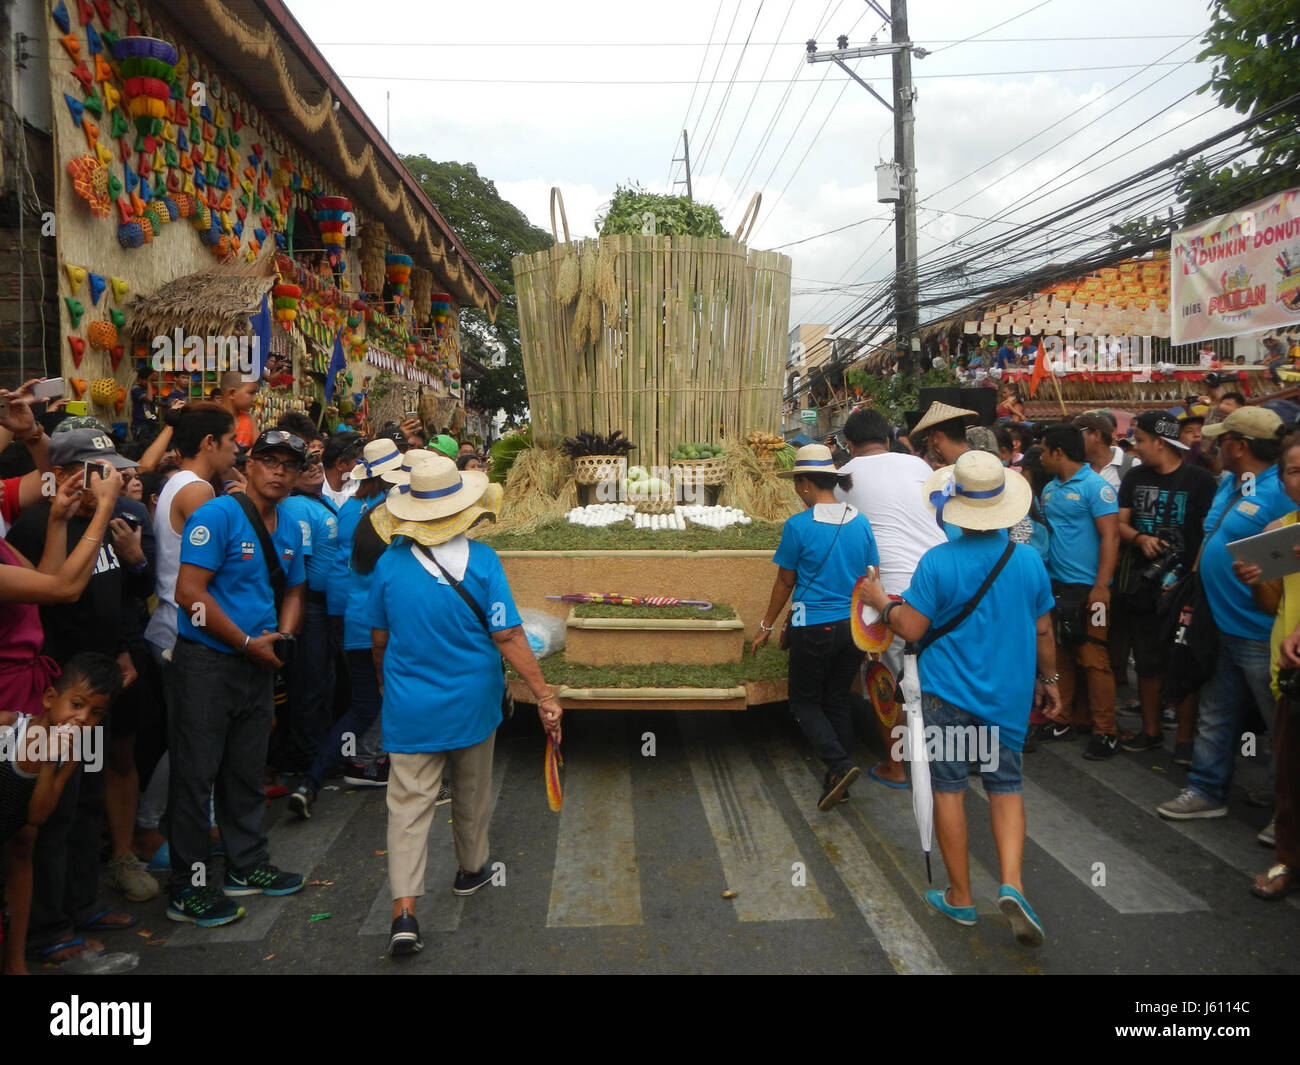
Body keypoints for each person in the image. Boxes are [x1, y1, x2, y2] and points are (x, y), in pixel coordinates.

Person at [362, 453, 561, 956]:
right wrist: (543, 694)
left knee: (407, 807)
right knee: (472, 791)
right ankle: (471, 870)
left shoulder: (389, 564)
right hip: (472, 703)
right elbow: (511, 635)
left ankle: (404, 911)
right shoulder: (485, 563)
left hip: (410, 704)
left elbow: (380, 640)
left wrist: (387, 686)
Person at [858, 450, 1057, 947]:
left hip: (946, 696)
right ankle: (1012, 884)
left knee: (948, 789)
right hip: (1007, 696)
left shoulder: (938, 562)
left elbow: (910, 626)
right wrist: (1050, 681)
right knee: (1006, 787)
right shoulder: (1028, 559)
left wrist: (881, 600)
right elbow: (1045, 629)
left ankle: (961, 896)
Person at [167, 429, 309, 926]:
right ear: (247, 465)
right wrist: (246, 643)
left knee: (246, 771)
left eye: (288, 464)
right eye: (268, 460)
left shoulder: (289, 525)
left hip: (260, 665)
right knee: (195, 777)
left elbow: (295, 589)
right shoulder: (217, 516)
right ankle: (189, 887)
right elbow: (190, 595)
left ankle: (246, 865)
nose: (278, 470)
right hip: (207, 663)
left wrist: (283, 639)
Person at [1158, 407, 1293, 820]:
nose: (1213, 444)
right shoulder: (1229, 482)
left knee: (1280, 727)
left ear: (1241, 445)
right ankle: (1207, 789)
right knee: (1216, 712)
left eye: (1223, 438)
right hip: (1216, 620)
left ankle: (1284, 811)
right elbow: (1211, 537)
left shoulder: (1280, 491)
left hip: (1261, 631)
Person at [752, 444, 881, 810]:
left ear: (806, 484)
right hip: (853, 626)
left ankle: (839, 764)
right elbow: (873, 576)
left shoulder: (798, 526)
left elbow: (784, 582)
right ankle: (837, 776)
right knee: (838, 697)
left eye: (797, 483)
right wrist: (874, 629)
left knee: (804, 701)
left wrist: (765, 624)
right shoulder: (861, 520)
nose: (796, 490)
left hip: (813, 625)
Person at [290, 440, 411, 815]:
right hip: (377, 622)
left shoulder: (349, 509)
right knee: (368, 703)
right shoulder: (387, 514)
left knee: (363, 700)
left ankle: (360, 762)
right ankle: (320, 775)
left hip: (350, 617)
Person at [836, 410, 945, 788]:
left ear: (849, 444)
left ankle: (895, 767)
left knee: (884, 678)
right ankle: (949, 754)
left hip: (890, 591)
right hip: (940, 578)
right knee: (935, 672)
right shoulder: (918, 465)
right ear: (888, 437)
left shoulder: (844, 476)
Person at [1, 653, 122, 975]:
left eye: (96, 713)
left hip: (15, 831)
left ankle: (14, 961)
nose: (82, 718)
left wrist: (48, 760)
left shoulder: (70, 751)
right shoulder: (7, 726)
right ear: (51, 698)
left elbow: (39, 816)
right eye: (77, 705)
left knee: (25, 844)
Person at [1111, 412, 1217, 758]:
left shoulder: (1200, 481)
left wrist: (1194, 578)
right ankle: (1151, 730)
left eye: (1140, 440)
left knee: (1183, 663)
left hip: (1184, 586)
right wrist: (1140, 538)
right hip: (1142, 585)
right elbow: (1119, 525)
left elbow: (1208, 534)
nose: (1136, 449)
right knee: (1146, 663)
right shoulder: (1135, 477)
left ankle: (1185, 741)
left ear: (1160, 442)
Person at [1230, 430, 1300, 898]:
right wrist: (1255, 577)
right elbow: (1270, 602)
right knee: (1290, 775)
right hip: (1290, 667)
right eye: (1294, 470)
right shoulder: (1282, 530)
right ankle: (1287, 862)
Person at [1037, 423, 1121, 758]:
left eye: (1044, 450)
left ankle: (1106, 732)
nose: (1041, 457)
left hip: (1090, 588)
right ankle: (1063, 718)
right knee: (1061, 655)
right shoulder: (1048, 489)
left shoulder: (1096, 488)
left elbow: (1111, 537)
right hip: (1057, 586)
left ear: (1058, 452)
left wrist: (1101, 586)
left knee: (1094, 658)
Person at [1074, 412, 1135, 491]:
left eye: (1077, 434)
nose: (1073, 439)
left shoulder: (1132, 465)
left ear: (1096, 435)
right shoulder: (1074, 469)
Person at [217, 371, 259, 449]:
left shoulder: (249, 419)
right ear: (232, 393)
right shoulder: (211, 419)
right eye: (251, 393)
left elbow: (258, 449)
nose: (255, 399)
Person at [321, 432, 363, 508]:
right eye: (360, 461)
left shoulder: (360, 488)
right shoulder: (315, 492)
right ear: (340, 463)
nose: (365, 466)